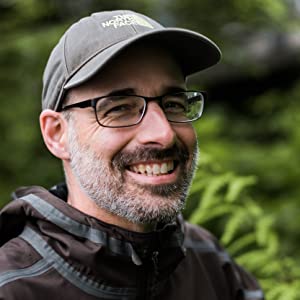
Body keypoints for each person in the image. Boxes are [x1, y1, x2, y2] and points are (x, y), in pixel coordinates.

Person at [0, 10, 264, 300]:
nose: (163, 134)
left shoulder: (207, 259)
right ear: (57, 135)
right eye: (119, 108)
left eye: (174, 103)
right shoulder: (14, 286)